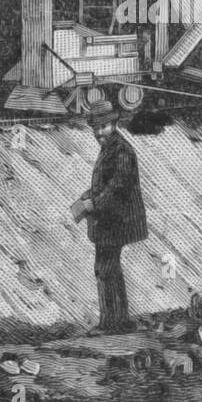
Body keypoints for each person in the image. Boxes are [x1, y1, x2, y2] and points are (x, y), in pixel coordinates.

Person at [73, 99, 148, 333]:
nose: (98, 133)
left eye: (103, 127)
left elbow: (117, 188)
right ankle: (116, 321)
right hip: (110, 220)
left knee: (106, 269)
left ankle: (114, 323)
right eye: (95, 128)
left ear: (113, 124)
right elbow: (105, 185)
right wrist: (87, 197)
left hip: (117, 221)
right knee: (107, 269)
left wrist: (91, 204)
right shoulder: (111, 147)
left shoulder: (121, 150)